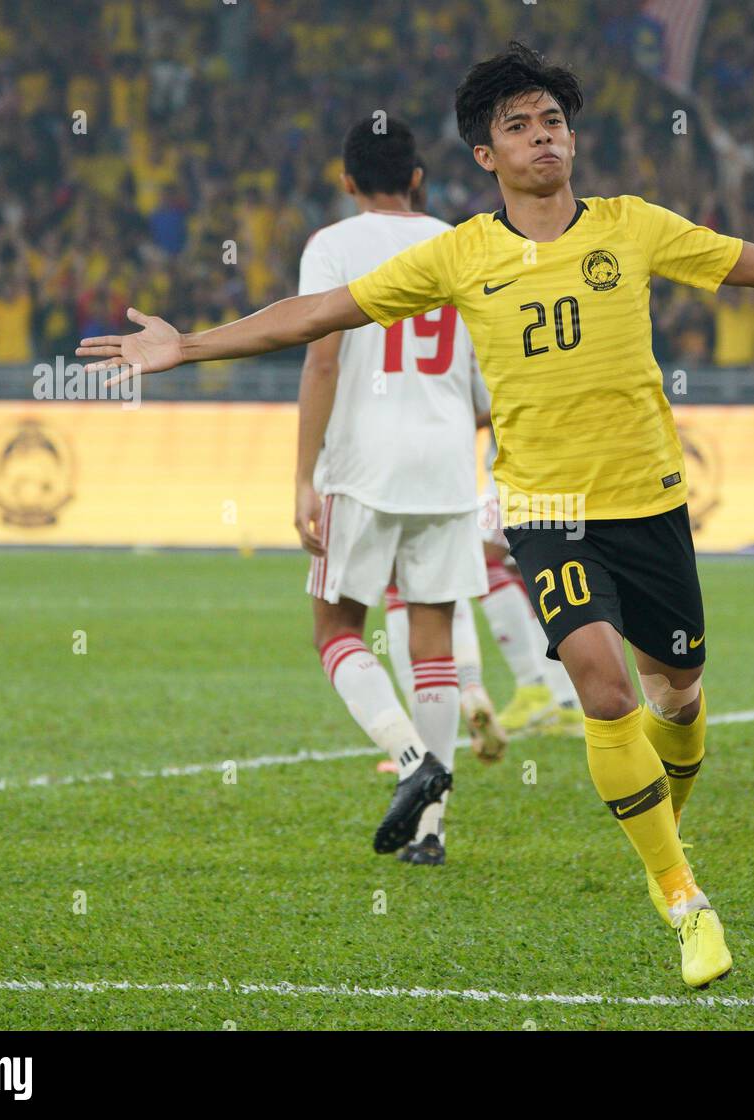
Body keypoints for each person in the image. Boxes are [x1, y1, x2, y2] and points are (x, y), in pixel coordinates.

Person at [79, 42, 754, 988]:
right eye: (517, 126)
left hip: (650, 500)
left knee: (676, 688)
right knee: (604, 688)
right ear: (485, 156)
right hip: (546, 507)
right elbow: (319, 316)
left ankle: (661, 812)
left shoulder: (633, 226)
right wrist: (187, 346)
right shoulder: (462, 253)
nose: (541, 136)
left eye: (551, 120)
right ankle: (682, 898)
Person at [292, 117, 493, 864]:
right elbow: (485, 391)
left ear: (347, 181)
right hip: (445, 464)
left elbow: (322, 361)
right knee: (432, 641)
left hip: (363, 465)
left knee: (337, 629)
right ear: (416, 176)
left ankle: (413, 762)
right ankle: (432, 830)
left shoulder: (333, 246)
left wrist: (303, 476)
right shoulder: (463, 244)